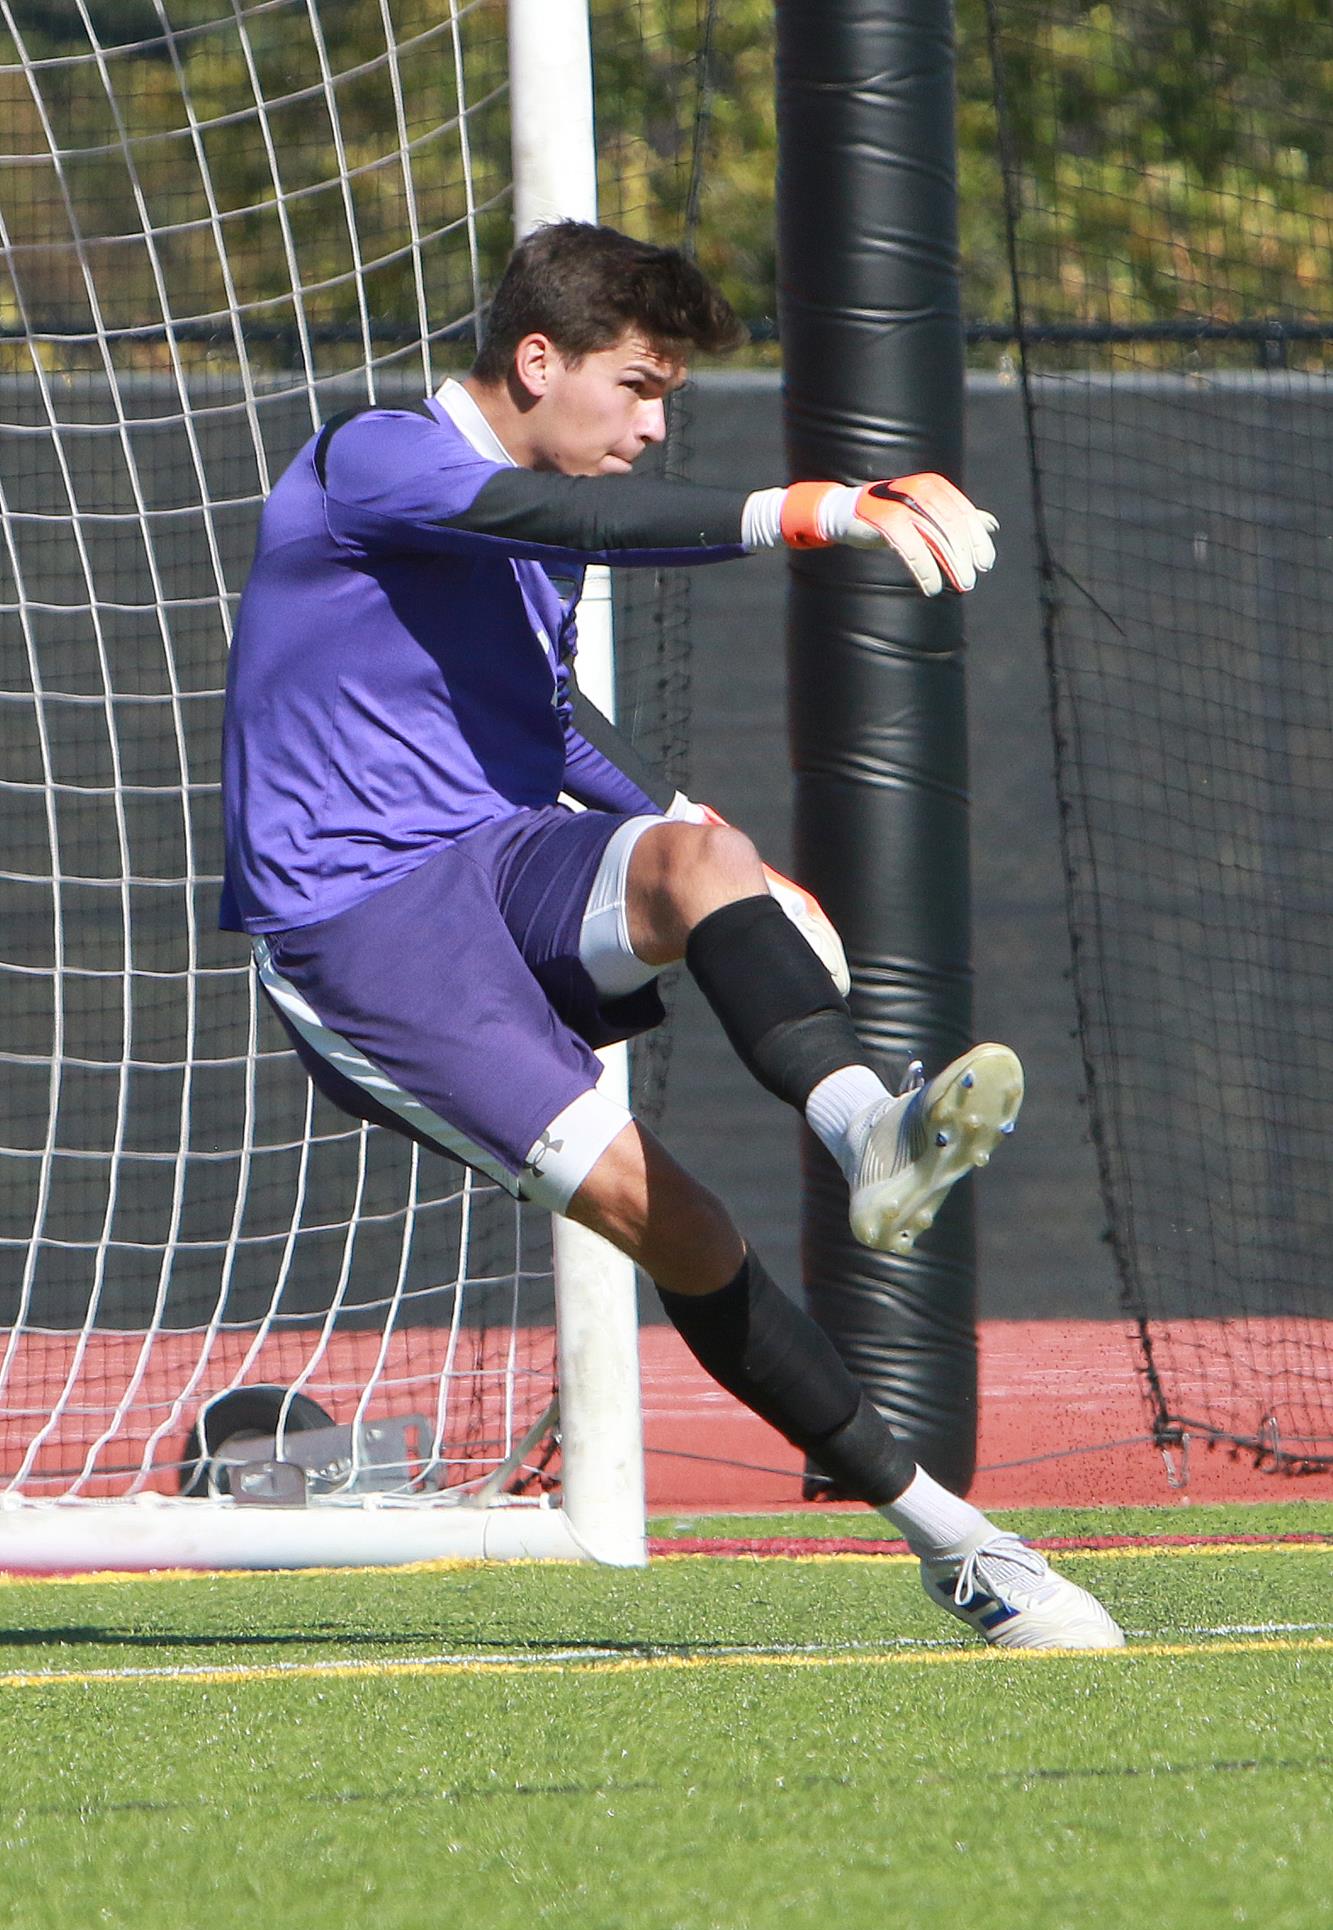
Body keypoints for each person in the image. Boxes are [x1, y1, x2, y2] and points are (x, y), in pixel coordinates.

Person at [220, 221, 1122, 1650]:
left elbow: (549, 719)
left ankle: (865, 1136)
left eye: (663, 400)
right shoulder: (378, 457)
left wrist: (721, 852)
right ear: (536, 360)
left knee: (703, 860)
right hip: (361, 937)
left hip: (497, 861)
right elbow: (560, 528)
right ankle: (955, 1542)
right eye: (636, 387)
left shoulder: (526, 500)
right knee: (683, 1227)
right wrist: (812, 507)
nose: (650, 425)